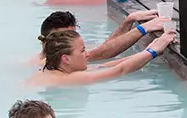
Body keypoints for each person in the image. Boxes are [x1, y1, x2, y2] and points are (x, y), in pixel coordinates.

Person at [32, 25, 175, 86]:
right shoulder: (68, 78)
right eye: (82, 51)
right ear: (66, 59)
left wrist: (148, 50)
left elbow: (104, 66)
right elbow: (120, 70)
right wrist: (153, 52)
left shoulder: (54, 70)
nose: (87, 54)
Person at [34, 8, 163, 66]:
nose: (70, 39)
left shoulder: (74, 54)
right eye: (64, 37)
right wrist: (143, 29)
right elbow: (103, 54)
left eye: (73, 34)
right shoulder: (47, 63)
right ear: (45, 43)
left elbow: (104, 48)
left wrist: (129, 20)